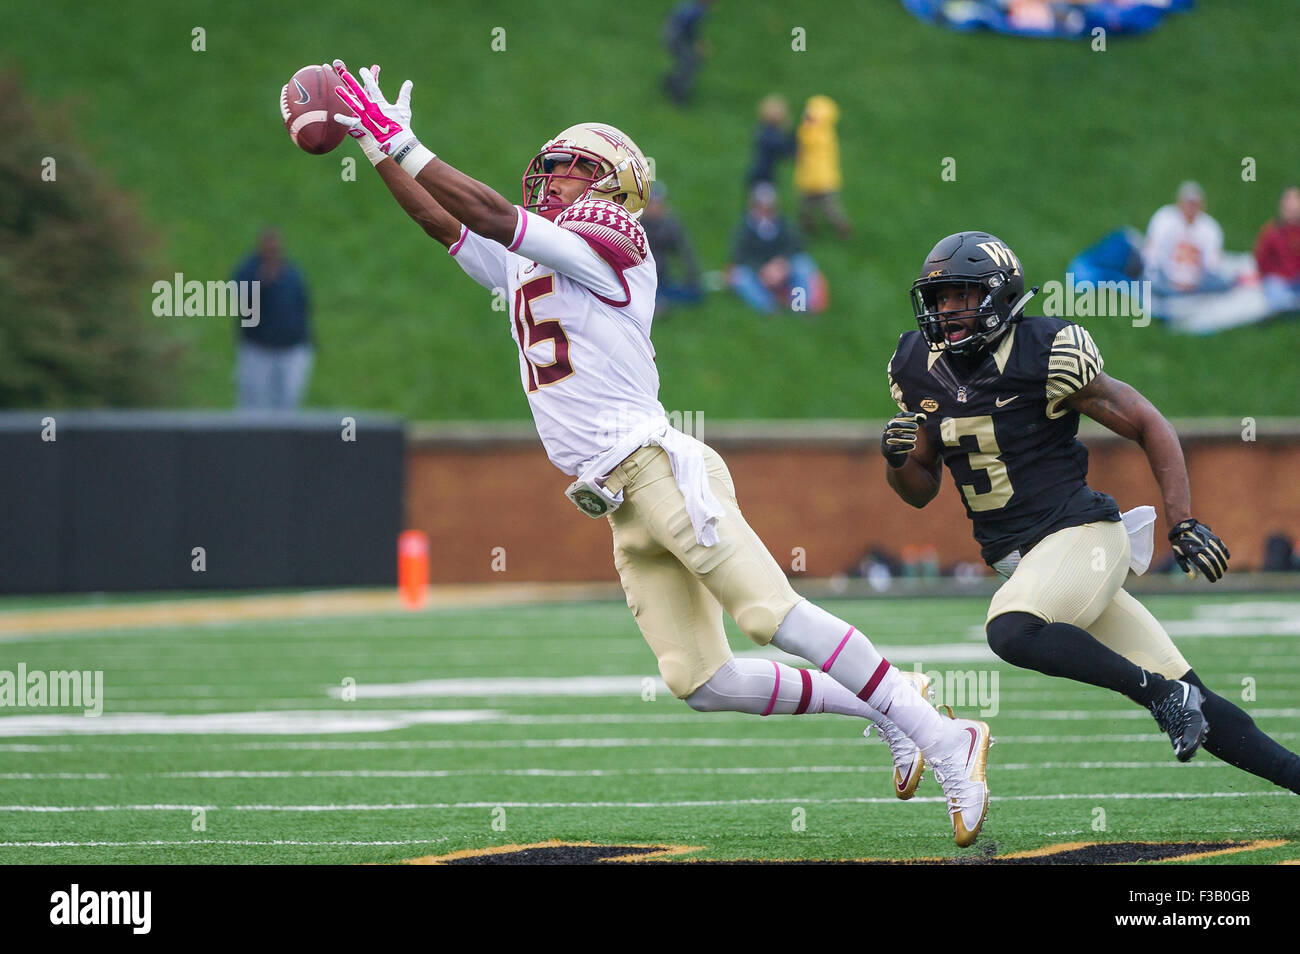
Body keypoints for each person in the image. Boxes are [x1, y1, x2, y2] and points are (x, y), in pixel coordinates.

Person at [324, 60, 994, 845]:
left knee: (769, 616)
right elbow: (450, 224)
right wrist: (377, 150)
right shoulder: (532, 259)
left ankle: (951, 739)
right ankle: (893, 703)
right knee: (701, 681)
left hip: (658, 468)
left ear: (613, 185)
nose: (554, 181)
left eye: (572, 170)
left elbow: (495, 215)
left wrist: (403, 140)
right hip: (615, 498)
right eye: (552, 170)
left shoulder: (617, 237)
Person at [881, 230, 1300, 797]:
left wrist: (1182, 519)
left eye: (961, 296)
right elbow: (919, 488)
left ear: (1000, 297)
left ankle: (1161, 698)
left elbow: (1148, 421)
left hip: (1083, 538)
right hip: (1034, 563)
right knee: (1195, 696)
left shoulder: (1045, 351)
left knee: (1010, 629)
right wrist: (897, 459)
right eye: (938, 299)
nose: (946, 312)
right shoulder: (915, 367)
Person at [231, 228, 313, 409]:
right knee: (255, 402)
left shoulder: (291, 273)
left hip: (292, 348)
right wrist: (260, 283)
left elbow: (302, 306)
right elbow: (237, 296)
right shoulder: (248, 271)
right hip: (258, 349)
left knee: (289, 400)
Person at [729, 183, 827, 315]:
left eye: (768, 208)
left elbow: (797, 245)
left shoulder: (784, 224)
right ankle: (769, 307)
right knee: (740, 276)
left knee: (803, 265)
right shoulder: (744, 230)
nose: (764, 212)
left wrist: (782, 264)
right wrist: (762, 269)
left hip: (782, 267)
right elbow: (739, 256)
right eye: (760, 207)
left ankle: (801, 307)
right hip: (760, 271)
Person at [1142, 181, 1233, 295]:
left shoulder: (1210, 228)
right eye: (1188, 203)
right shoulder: (1165, 219)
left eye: (1194, 204)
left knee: (1224, 283)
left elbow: (1212, 263)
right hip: (1167, 278)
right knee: (1151, 282)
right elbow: (1153, 254)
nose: (1190, 207)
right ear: (1179, 202)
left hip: (1197, 283)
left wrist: (1194, 281)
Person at [794, 95, 852, 239]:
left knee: (830, 209)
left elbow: (806, 143)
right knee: (805, 208)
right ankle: (808, 230)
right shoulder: (813, 132)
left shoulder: (821, 135)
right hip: (809, 179)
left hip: (823, 180)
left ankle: (843, 229)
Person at [641, 183, 702, 317]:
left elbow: (684, 251)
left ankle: (661, 301)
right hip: (642, 277)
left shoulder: (668, 224)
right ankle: (657, 303)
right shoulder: (635, 225)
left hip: (662, 276)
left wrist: (692, 276)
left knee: (694, 293)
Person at [1253, 185, 1300, 311]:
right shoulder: (1272, 232)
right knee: (1278, 300)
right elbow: (1260, 259)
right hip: (1278, 280)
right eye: (1288, 201)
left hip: (1296, 279)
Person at [660, 0, 712, 106]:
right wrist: (697, 44)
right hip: (676, 37)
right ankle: (677, 93)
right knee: (690, 64)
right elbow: (688, 29)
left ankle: (670, 83)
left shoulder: (691, 5)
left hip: (670, 34)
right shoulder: (697, 10)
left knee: (687, 62)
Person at [746, 94, 796, 191]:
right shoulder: (768, 134)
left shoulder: (762, 130)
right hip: (762, 178)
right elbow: (782, 148)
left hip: (761, 177)